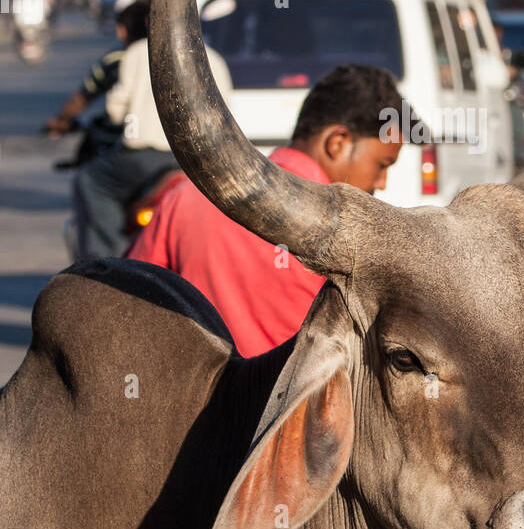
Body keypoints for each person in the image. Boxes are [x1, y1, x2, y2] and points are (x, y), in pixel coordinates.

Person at [128, 65, 407, 356]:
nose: (382, 183)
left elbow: (131, 295)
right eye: (382, 165)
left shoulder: (187, 195)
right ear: (338, 143)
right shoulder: (348, 236)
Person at [73, 29, 233, 260]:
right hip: (199, 164)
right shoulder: (214, 59)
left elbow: (115, 109)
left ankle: (108, 260)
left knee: (90, 181)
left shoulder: (139, 52)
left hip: (145, 158)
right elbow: (224, 119)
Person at [45, 1, 149, 152]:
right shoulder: (170, 58)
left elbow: (90, 97)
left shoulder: (118, 58)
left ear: (123, 30)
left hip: (127, 144)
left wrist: (60, 120)